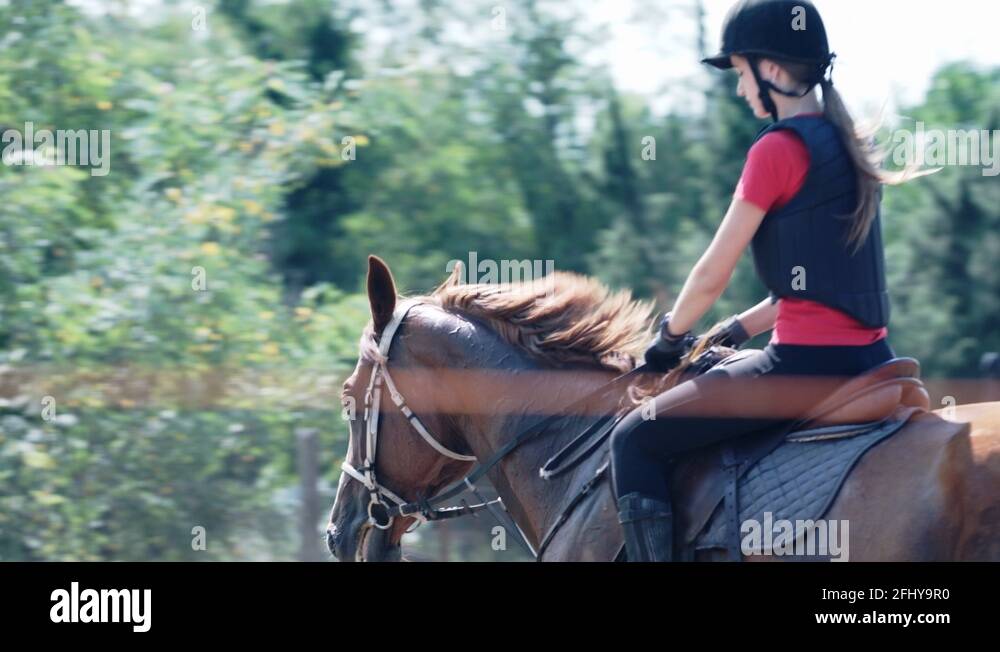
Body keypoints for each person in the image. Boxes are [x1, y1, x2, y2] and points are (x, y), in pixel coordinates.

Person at [611, 0, 925, 562]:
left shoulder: (777, 150)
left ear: (771, 71)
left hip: (801, 370)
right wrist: (737, 327)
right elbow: (811, 288)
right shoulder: (847, 146)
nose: (739, 91)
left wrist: (667, 342)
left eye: (740, 74)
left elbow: (711, 271)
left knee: (635, 437)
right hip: (873, 361)